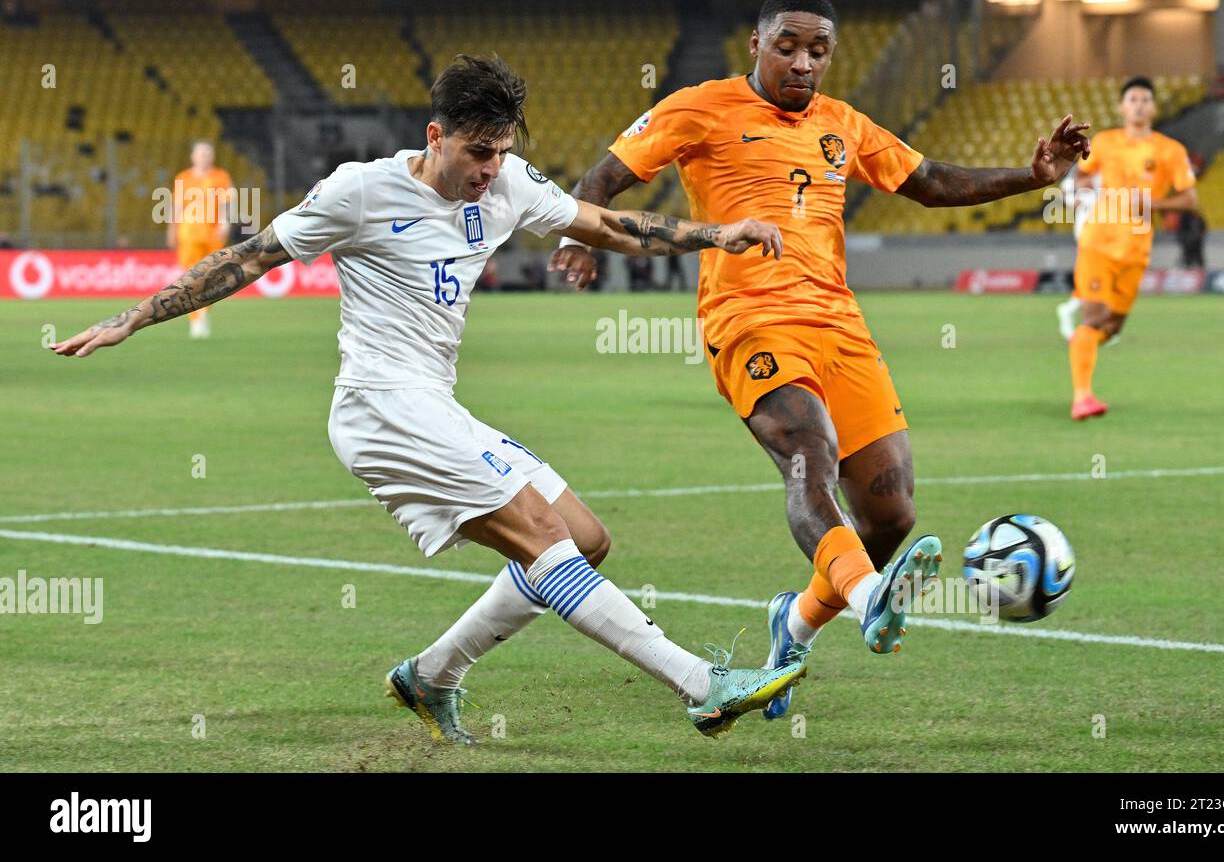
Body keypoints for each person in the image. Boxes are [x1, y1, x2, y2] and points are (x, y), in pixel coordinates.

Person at [50, 54, 799, 743]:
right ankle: (702, 684)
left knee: (585, 538)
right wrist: (133, 317)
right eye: (478, 152)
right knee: (545, 536)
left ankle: (430, 677)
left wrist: (717, 233)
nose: (491, 169)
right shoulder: (361, 191)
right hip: (381, 407)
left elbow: (601, 221)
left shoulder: (507, 184)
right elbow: (249, 257)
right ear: (435, 137)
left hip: (433, 402)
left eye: (501, 151)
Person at [549, 0, 1090, 719]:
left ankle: (795, 622)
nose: (804, 62)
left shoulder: (843, 123)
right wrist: (578, 240)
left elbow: (927, 182)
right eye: (788, 46)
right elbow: (602, 180)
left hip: (839, 323)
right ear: (756, 44)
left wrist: (1033, 176)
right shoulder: (697, 107)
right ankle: (871, 598)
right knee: (811, 454)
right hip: (749, 318)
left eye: (819, 50)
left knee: (891, 512)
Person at [1056, 77, 1197, 420]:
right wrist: (1087, 189)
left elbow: (1189, 199)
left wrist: (1151, 203)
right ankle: (1082, 397)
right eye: (1132, 99)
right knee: (1093, 318)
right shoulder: (1104, 143)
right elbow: (1081, 179)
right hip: (1098, 243)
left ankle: (1083, 345)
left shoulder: (1170, 150)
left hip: (1136, 251)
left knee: (1112, 326)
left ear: (1153, 108)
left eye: (1145, 99)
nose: (1138, 104)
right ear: (1122, 107)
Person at [168, 140, 234, 339]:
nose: (205, 157)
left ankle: (202, 312)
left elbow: (227, 203)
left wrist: (225, 223)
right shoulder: (183, 178)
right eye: (201, 153)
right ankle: (196, 318)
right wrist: (172, 230)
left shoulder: (221, 177)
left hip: (212, 234)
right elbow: (177, 207)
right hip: (188, 235)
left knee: (212, 278)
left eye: (208, 153)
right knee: (190, 278)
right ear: (193, 156)